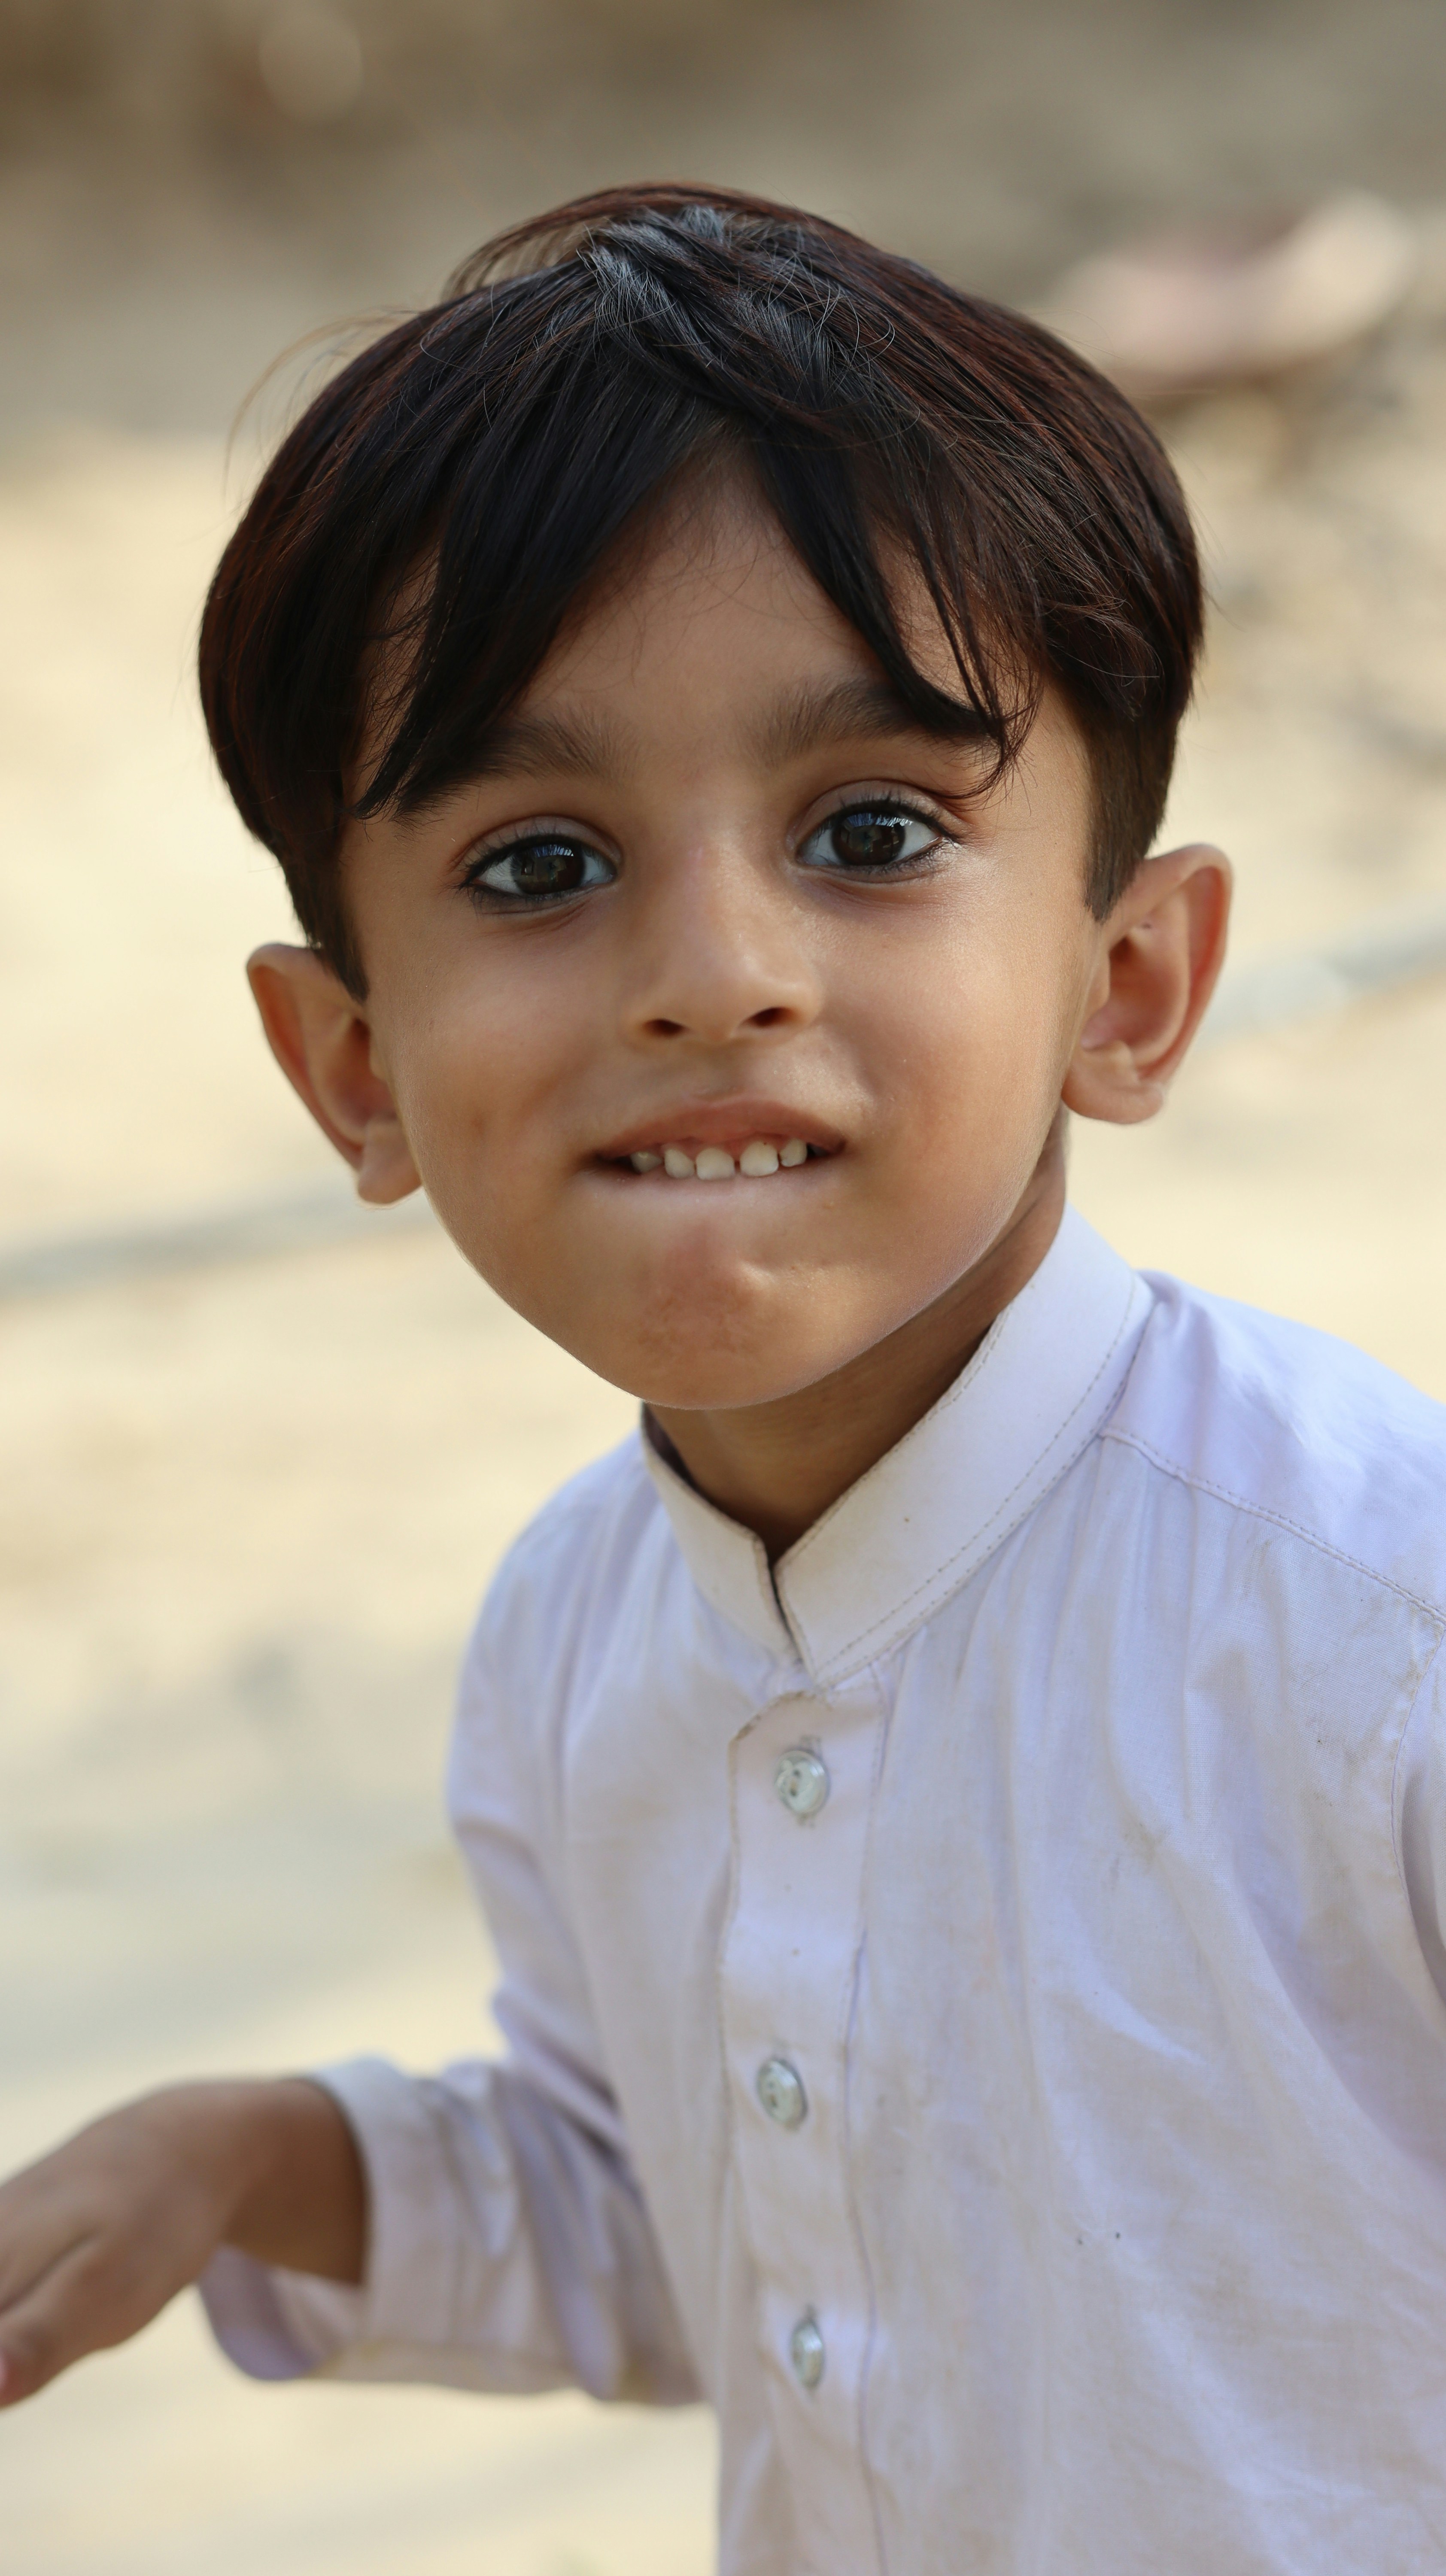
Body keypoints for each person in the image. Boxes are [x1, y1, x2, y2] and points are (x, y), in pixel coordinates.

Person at [2, 183, 1445, 2576]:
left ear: (1132, 984)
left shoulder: (1369, 1626)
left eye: (869, 831)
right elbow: (708, 2228)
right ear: (350, 1067)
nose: (710, 971)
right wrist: (250, 2159)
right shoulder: (577, 1641)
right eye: (539, 863)